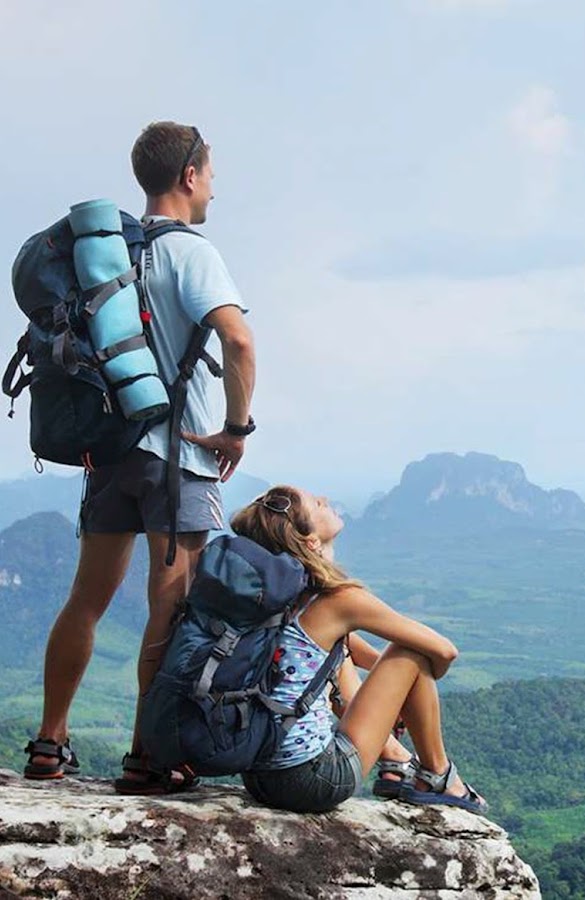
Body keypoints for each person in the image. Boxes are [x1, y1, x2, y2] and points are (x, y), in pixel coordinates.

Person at [24, 121, 256, 793]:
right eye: (210, 174)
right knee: (170, 605)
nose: (213, 187)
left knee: (85, 600)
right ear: (188, 176)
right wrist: (237, 428)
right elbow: (238, 342)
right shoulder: (191, 252)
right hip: (176, 455)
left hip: (108, 448)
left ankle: (49, 741)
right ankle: (148, 754)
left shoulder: (110, 256)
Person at [230, 486, 487, 814]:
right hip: (312, 781)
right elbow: (444, 651)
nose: (323, 498)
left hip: (258, 776)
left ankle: (395, 759)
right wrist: (409, 680)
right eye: (316, 503)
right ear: (310, 542)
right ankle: (438, 774)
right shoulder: (336, 601)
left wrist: (392, 692)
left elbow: (346, 647)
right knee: (411, 653)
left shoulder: (276, 594)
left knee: (339, 652)